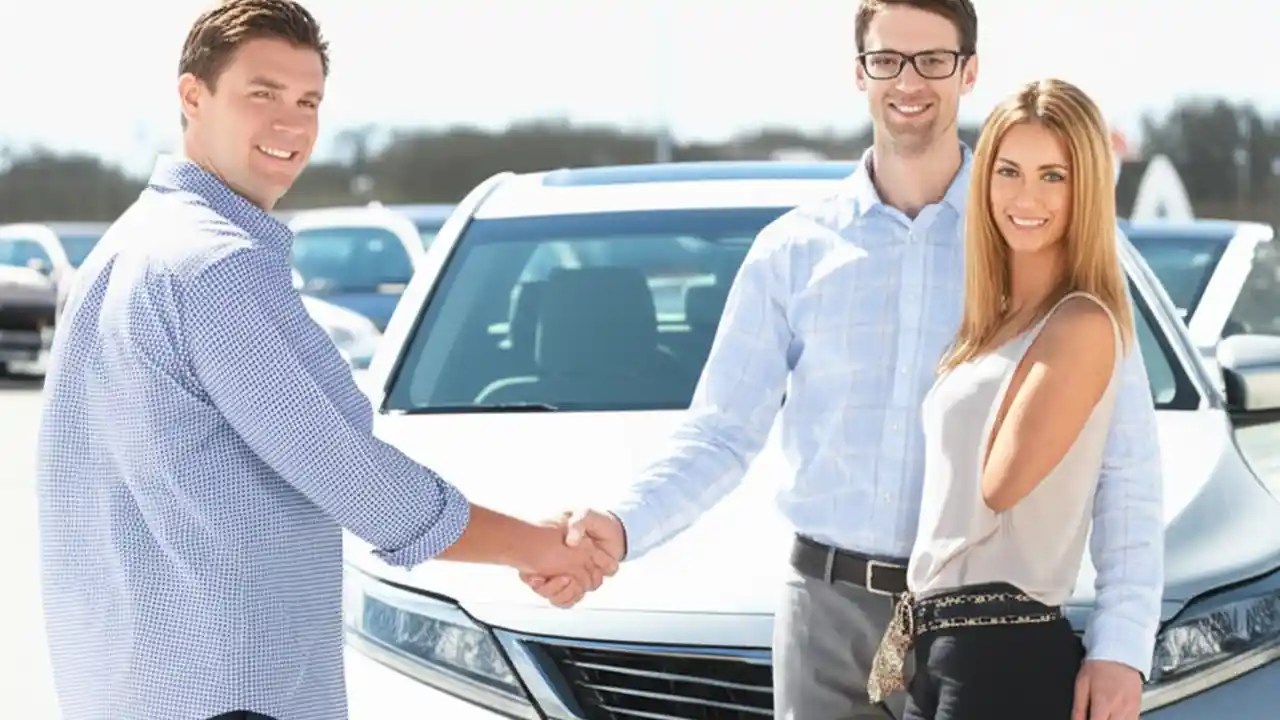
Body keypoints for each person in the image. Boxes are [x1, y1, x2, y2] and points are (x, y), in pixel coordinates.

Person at [525, 1, 1163, 718]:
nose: (909, 80)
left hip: (979, 632)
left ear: (970, 70)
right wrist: (622, 524)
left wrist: (1122, 643)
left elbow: (1124, 468)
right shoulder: (792, 252)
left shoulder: (1033, 238)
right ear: (859, 73)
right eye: (887, 59)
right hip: (825, 613)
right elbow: (721, 433)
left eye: (933, 60)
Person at [34, 2, 614, 720]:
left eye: (308, 101)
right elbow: (356, 480)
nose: (292, 125)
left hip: (122, 690)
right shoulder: (215, 266)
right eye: (262, 94)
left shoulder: (122, 251)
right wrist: (536, 546)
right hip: (232, 697)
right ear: (193, 97)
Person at [865, 77, 1140, 720]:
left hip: (1003, 656)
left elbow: (1000, 481)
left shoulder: (1080, 323)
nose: (1026, 196)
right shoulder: (988, 331)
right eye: (1008, 170)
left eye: (1054, 176)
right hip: (938, 649)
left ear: (1088, 190)